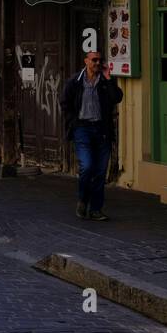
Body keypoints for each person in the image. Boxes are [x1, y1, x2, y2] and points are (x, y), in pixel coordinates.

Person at [61, 49, 123, 222]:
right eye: (94, 60)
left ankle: (96, 209)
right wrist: (73, 123)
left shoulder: (105, 81)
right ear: (86, 61)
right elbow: (64, 103)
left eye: (99, 60)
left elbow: (117, 98)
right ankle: (82, 199)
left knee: (100, 172)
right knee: (87, 166)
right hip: (82, 128)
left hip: (102, 130)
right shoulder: (75, 81)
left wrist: (109, 78)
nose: (97, 63)